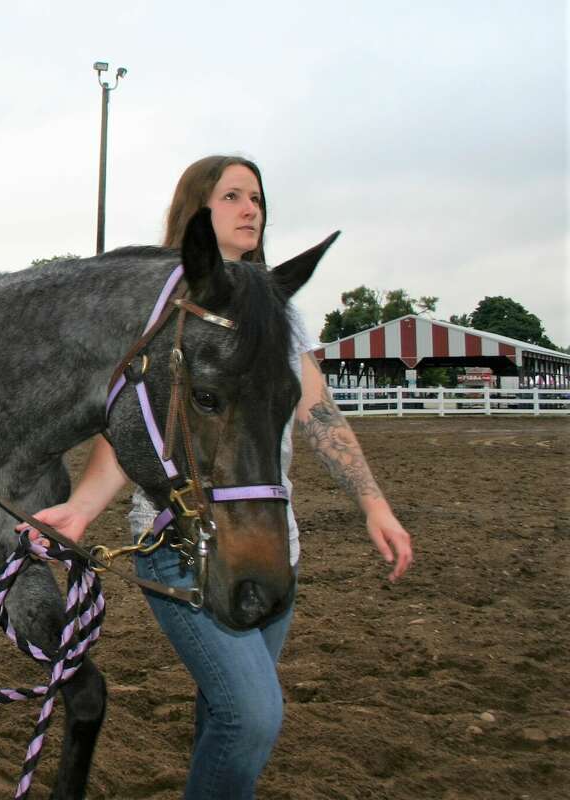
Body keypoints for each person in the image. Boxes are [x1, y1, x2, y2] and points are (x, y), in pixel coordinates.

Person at [23, 155, 414, 799]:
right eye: (233, 195)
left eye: (257, 197)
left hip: (271, 545)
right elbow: (132, 430)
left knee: (225, 715)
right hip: (183, 547)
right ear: (197, 213)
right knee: (253, 716)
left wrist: (374, 504)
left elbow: (317, 410)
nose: (251, 208)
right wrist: (83, 508)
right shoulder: (166, 311)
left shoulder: (274, 308)